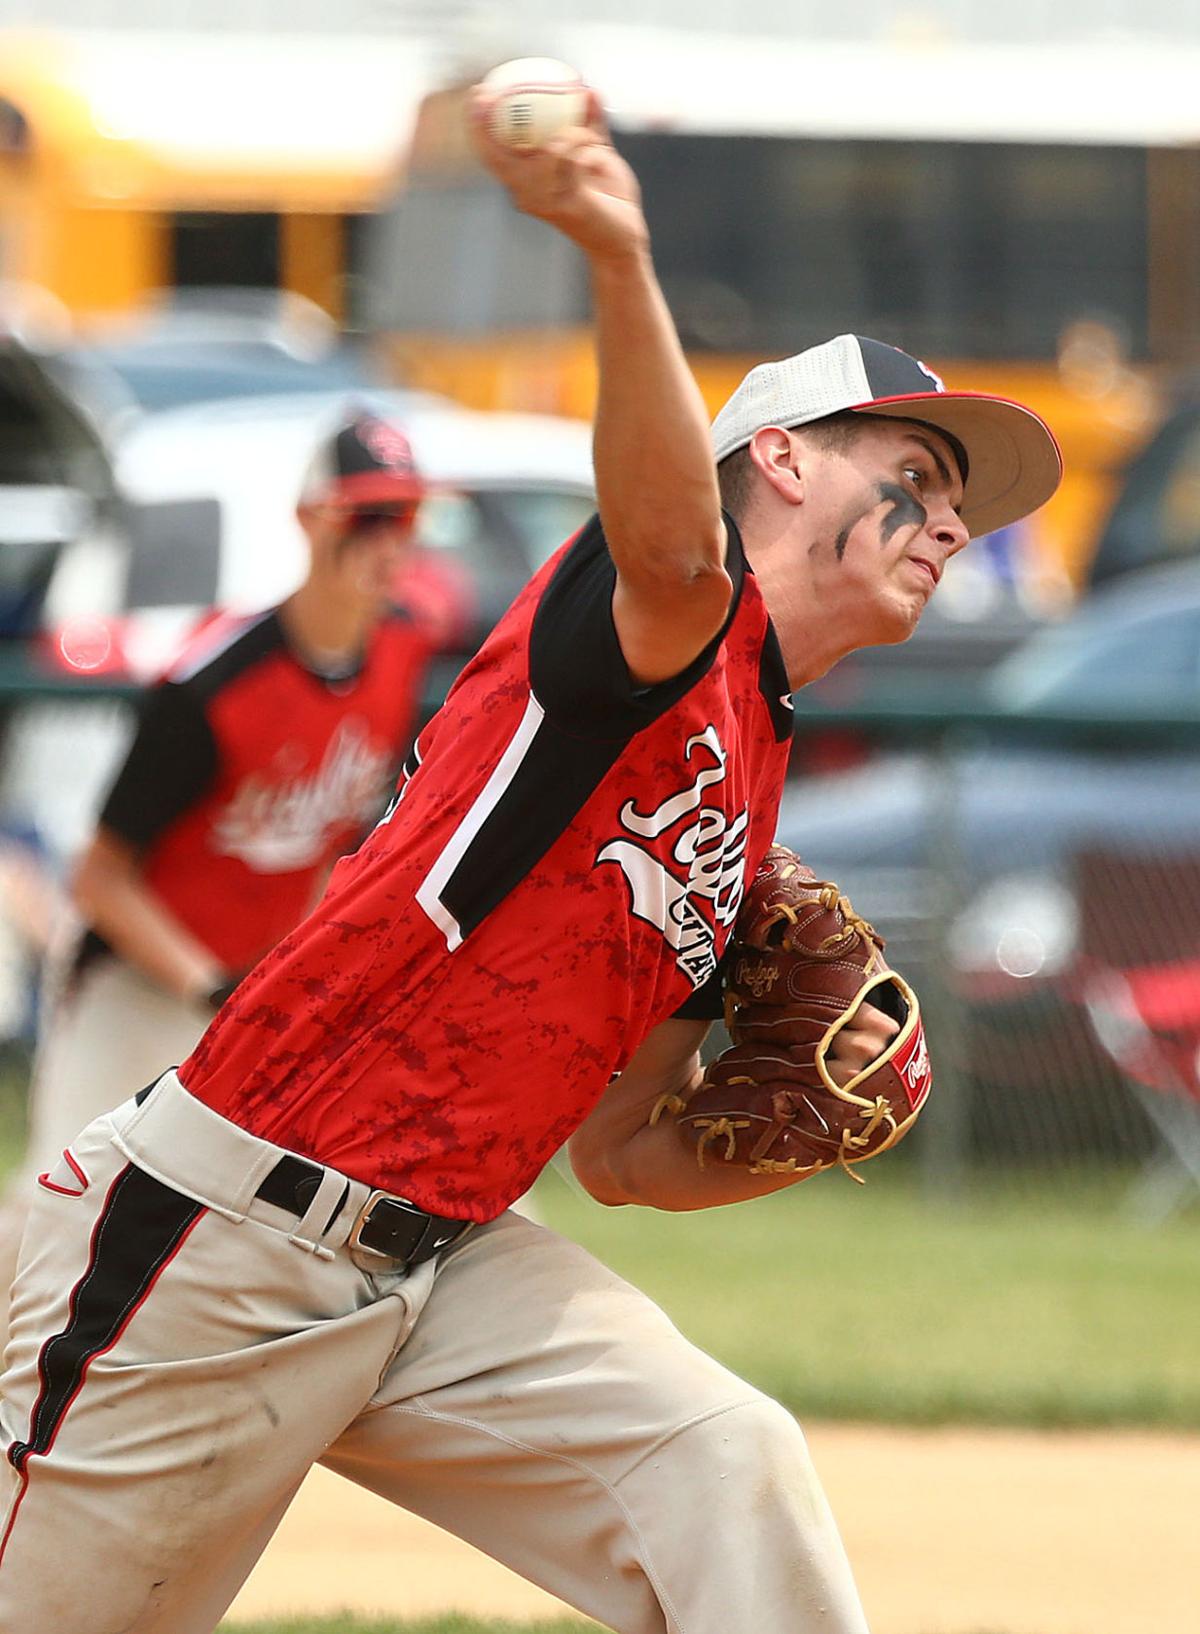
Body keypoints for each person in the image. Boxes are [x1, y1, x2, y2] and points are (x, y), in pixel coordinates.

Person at [0, 86, 1061, 1634]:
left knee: (725, 1463)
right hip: (228, 1245)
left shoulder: (749, 812)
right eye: (917, 464)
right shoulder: (662, 623)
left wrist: (789, 1135)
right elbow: (663, 535)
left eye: (960, 500)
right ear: (778, 458)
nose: (949, 517)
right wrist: (615, 260)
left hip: (458, 1269)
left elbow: (625, 1158)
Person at [0, 409, 438, 1346]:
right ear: (312, 521)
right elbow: (101, 877)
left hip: (262, 987)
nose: (387, 542)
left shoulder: (397, 652)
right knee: (53, 1207)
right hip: (138, 982)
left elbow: (334, 848)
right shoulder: (214, 687)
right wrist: (210, 984)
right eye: (365, 517)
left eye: (402, 517)